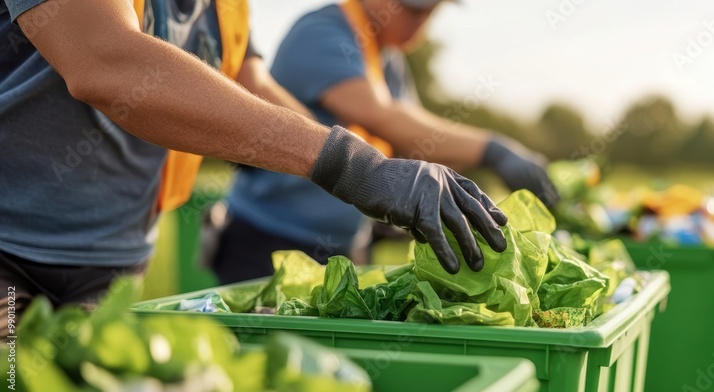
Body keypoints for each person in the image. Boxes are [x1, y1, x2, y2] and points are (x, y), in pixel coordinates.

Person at [0, 0, 508, 337]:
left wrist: (377, 176)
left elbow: (249, 82)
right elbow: (105, 62)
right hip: (11, 255)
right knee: (15, 380)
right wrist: (356, 166)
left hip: (114, 265)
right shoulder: (327, 29)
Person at [212, 0, 559, 283]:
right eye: (413, 10)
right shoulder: (321, 34)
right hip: (269, 243)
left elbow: (419, 143)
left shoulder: (388, 59)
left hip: (343, 248)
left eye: (430, 11)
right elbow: (387, 118)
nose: (420, 24)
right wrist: (493, 149)